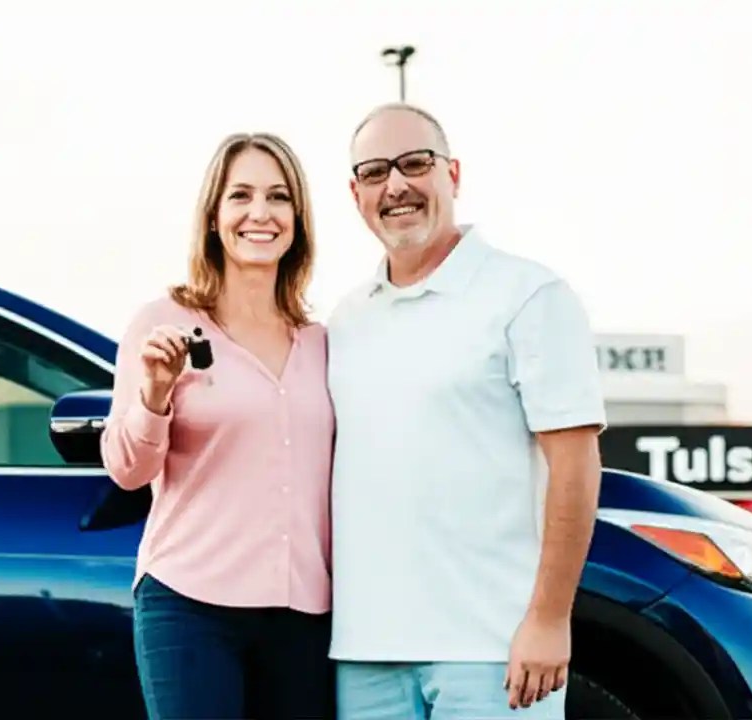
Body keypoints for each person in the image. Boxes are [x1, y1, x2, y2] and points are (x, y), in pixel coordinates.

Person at [326, 102, 607, 719]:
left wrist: (549, 619)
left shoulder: (529, 295)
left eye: (415, 163)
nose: (396, 185)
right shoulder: (344, 320)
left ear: (452, 174)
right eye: (375, 172)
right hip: (365, 656)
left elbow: (577, 467)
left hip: (494, 652)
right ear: (355, 194)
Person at [100, 132, 336, 720]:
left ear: (298, 219)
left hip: (303, 617)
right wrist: (154, 395)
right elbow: (128, 472)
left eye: (279, 197)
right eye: (241, 196)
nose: (261, 213)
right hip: (190, 608)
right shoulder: (163, 323)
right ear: (214, 216)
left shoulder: (324, 343)